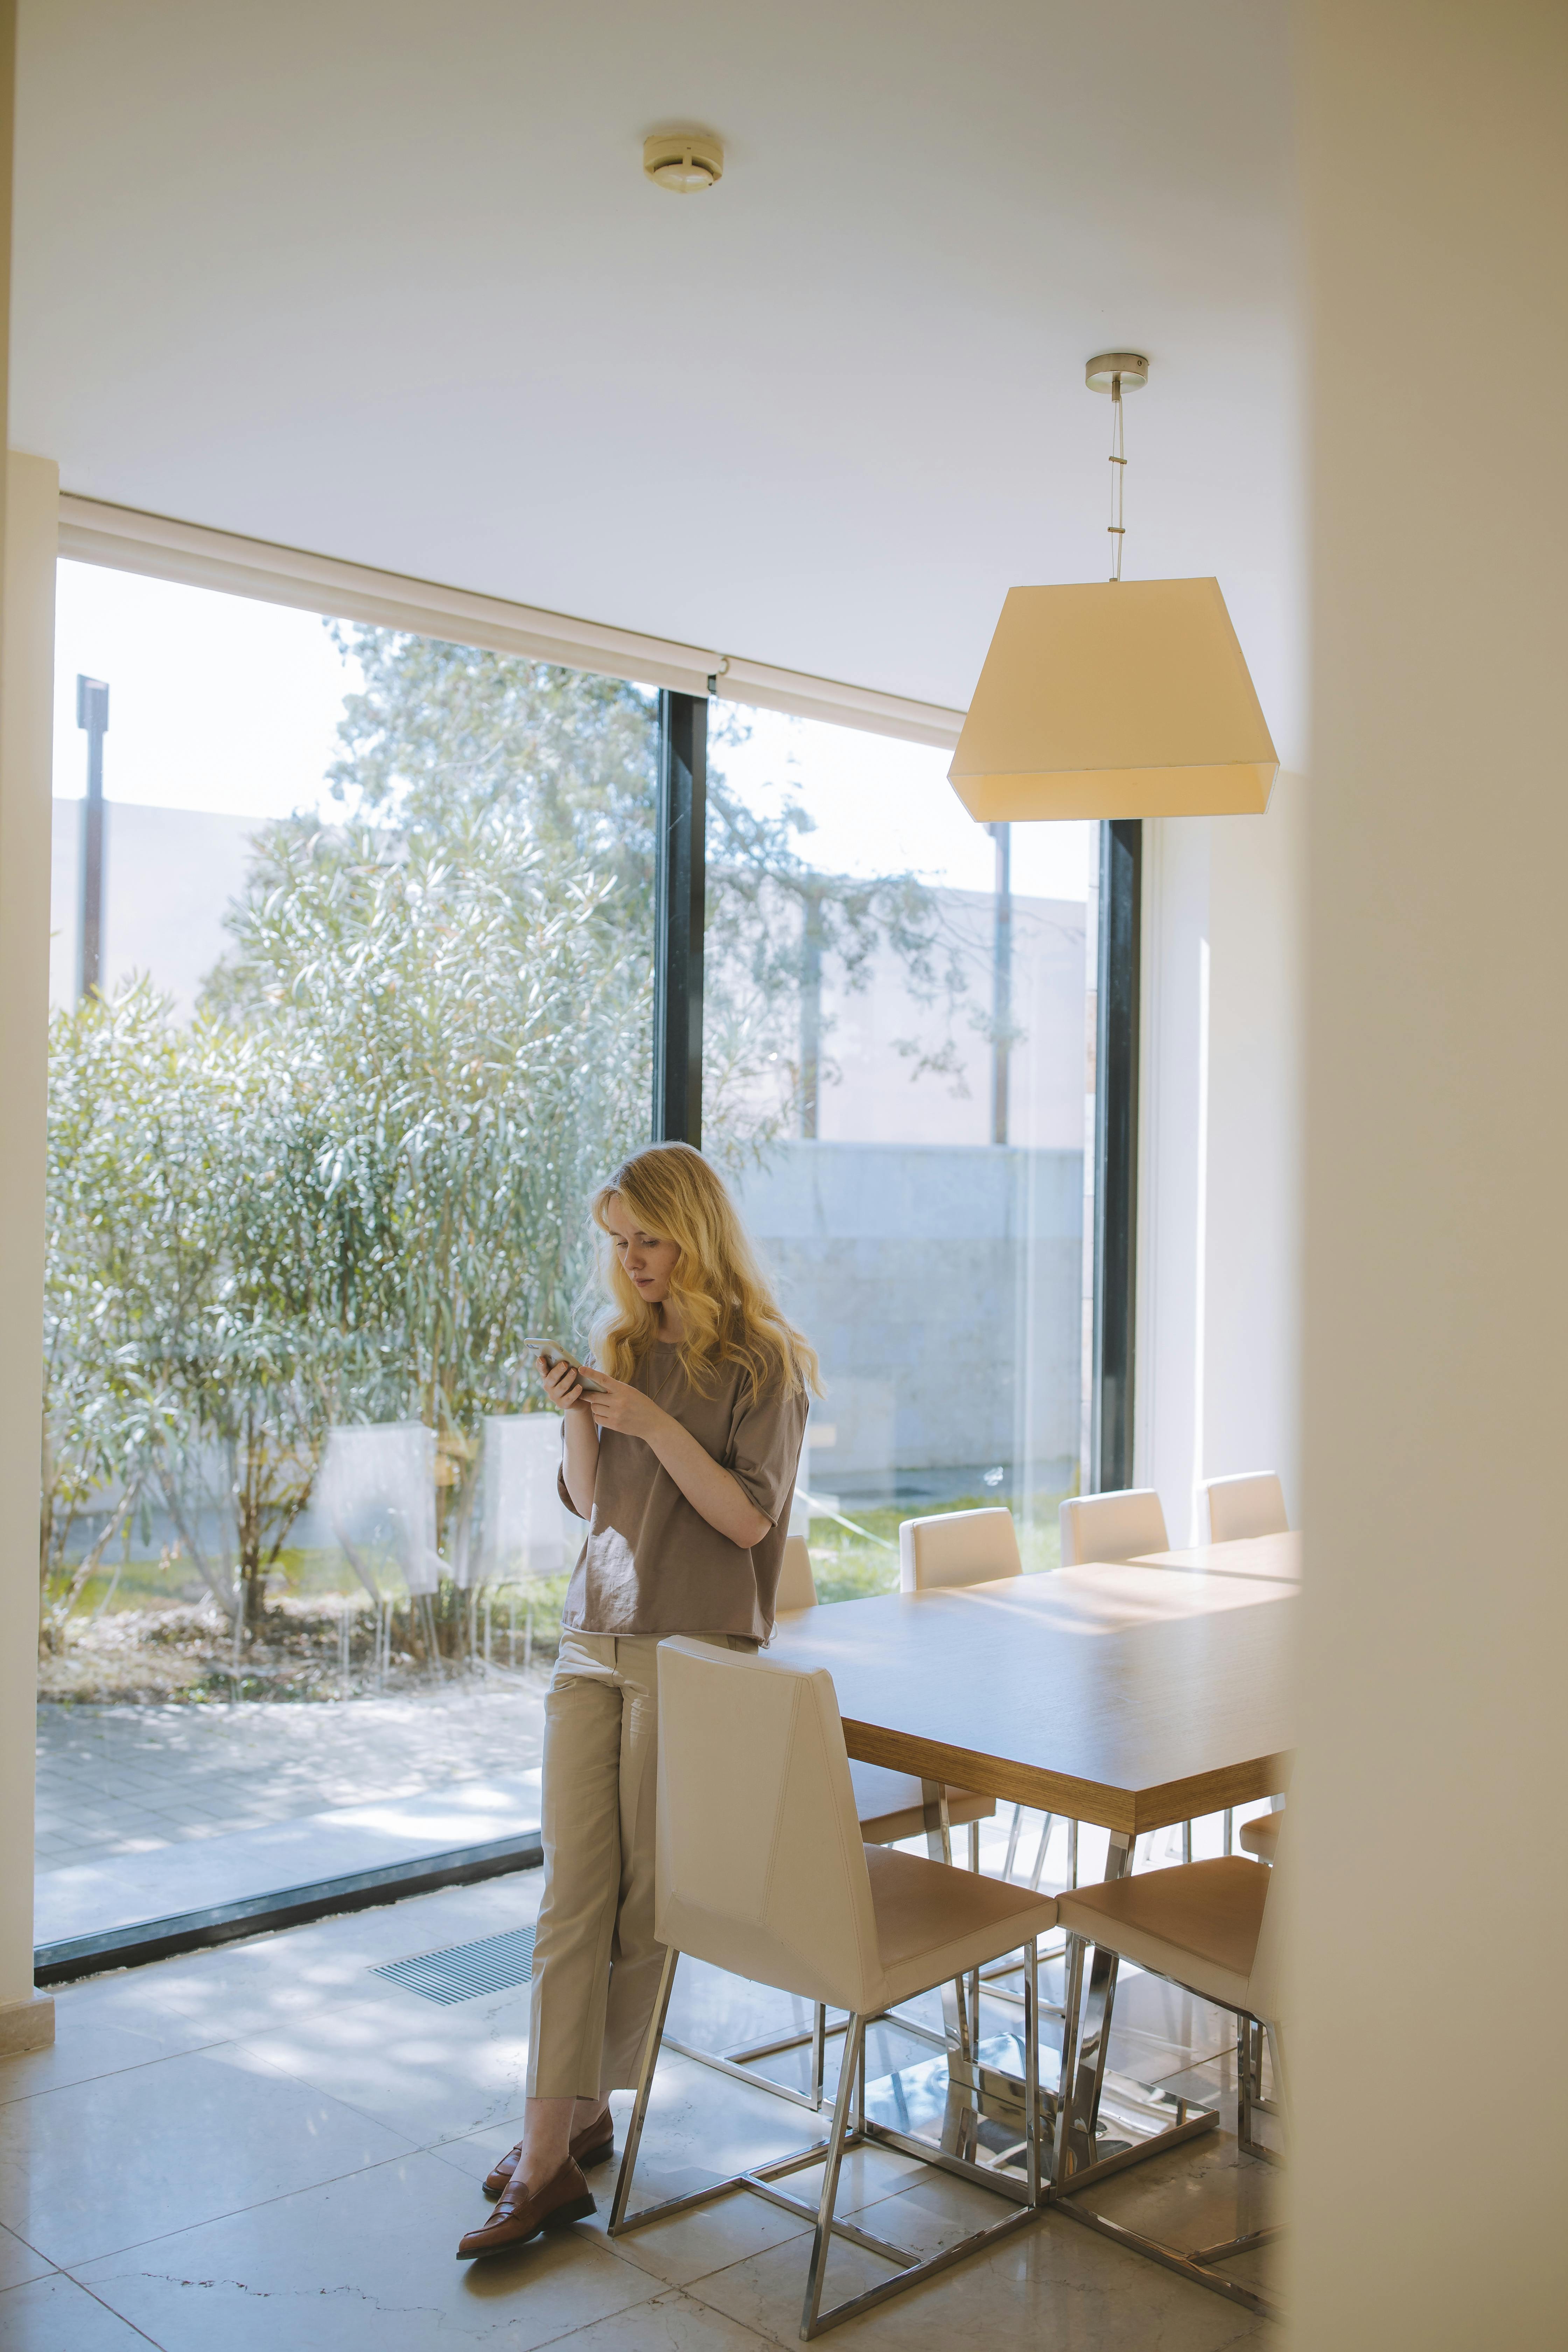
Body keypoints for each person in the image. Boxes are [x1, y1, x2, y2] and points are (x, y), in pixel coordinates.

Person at [457, 1140, 817, 2260]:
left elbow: (750, 1523)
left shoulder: (767, 1366)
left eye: (646, 1240)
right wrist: (580, 1413)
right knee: (573, 1894)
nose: (630, 1261)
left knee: (642, 1906)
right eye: (616, 1243)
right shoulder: (622, 1345)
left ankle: (574, 2122)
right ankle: (550, 2146)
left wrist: (655, 1424)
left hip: (695, 1650)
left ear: (694, 1231)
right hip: (592, 1638)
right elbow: (586, 1498)